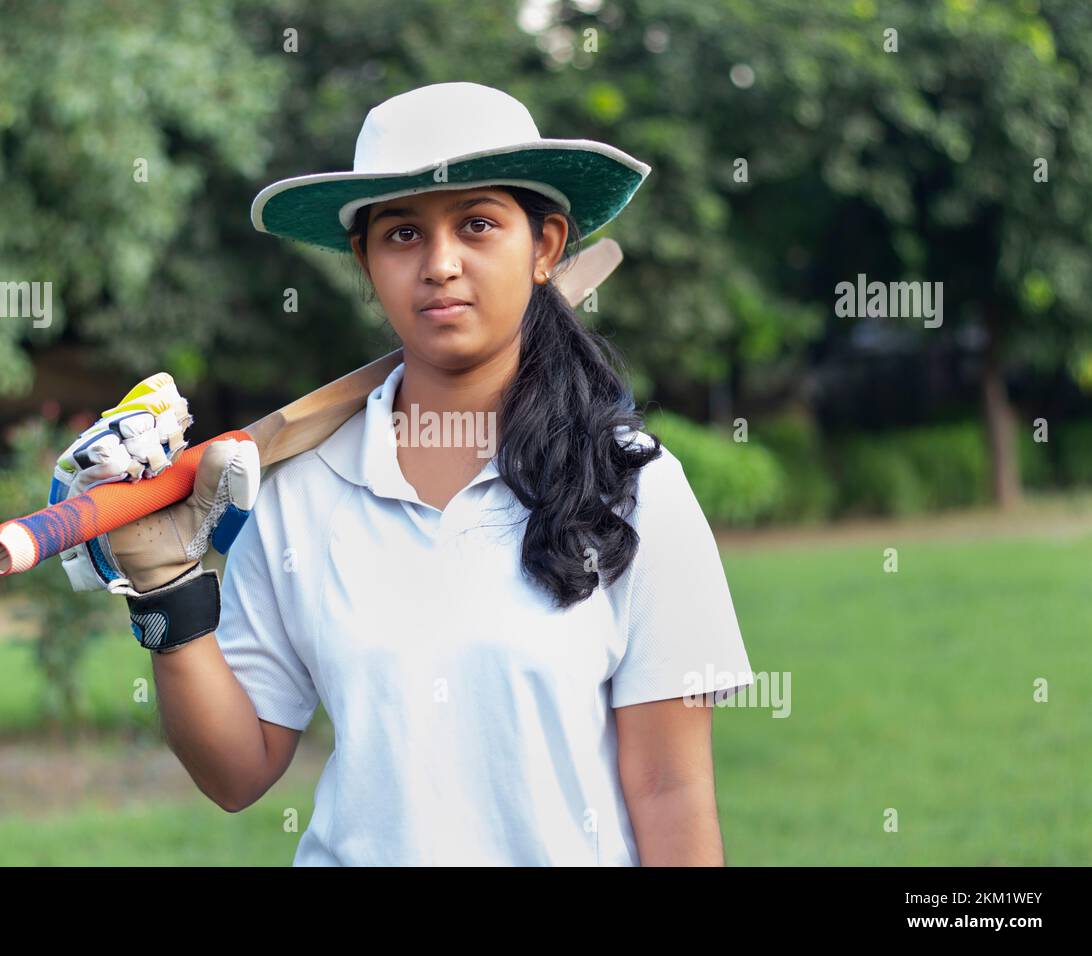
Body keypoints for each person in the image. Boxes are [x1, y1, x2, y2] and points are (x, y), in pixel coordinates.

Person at [50, 82, 754, 866]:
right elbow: (235, 772)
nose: (440, 264)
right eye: (403, 234)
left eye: (479, 224)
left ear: (546, 245)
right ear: (365, 258)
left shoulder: (635, 488)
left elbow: (671, 792)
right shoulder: (300, 490)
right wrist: (166, 591)